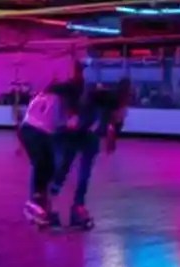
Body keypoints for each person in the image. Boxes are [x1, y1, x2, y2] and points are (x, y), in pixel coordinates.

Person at [50, 79, 129, 229]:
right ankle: (64, 202)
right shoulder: (102, 104)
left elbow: (111, 126)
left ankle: (69, 202)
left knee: (75, 168)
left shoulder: (103, 106)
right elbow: (111, 124)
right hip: (78, 133)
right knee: (71, 166)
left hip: (83, 134)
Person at [19, 77, 83, 227]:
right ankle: (35, 201)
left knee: (45, 165)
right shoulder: (58, 101)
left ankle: (40, 201)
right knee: (43, 165)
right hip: (38, 132)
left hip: (29, 130)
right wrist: (72, 122)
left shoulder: (44, 95)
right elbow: (58, 123)